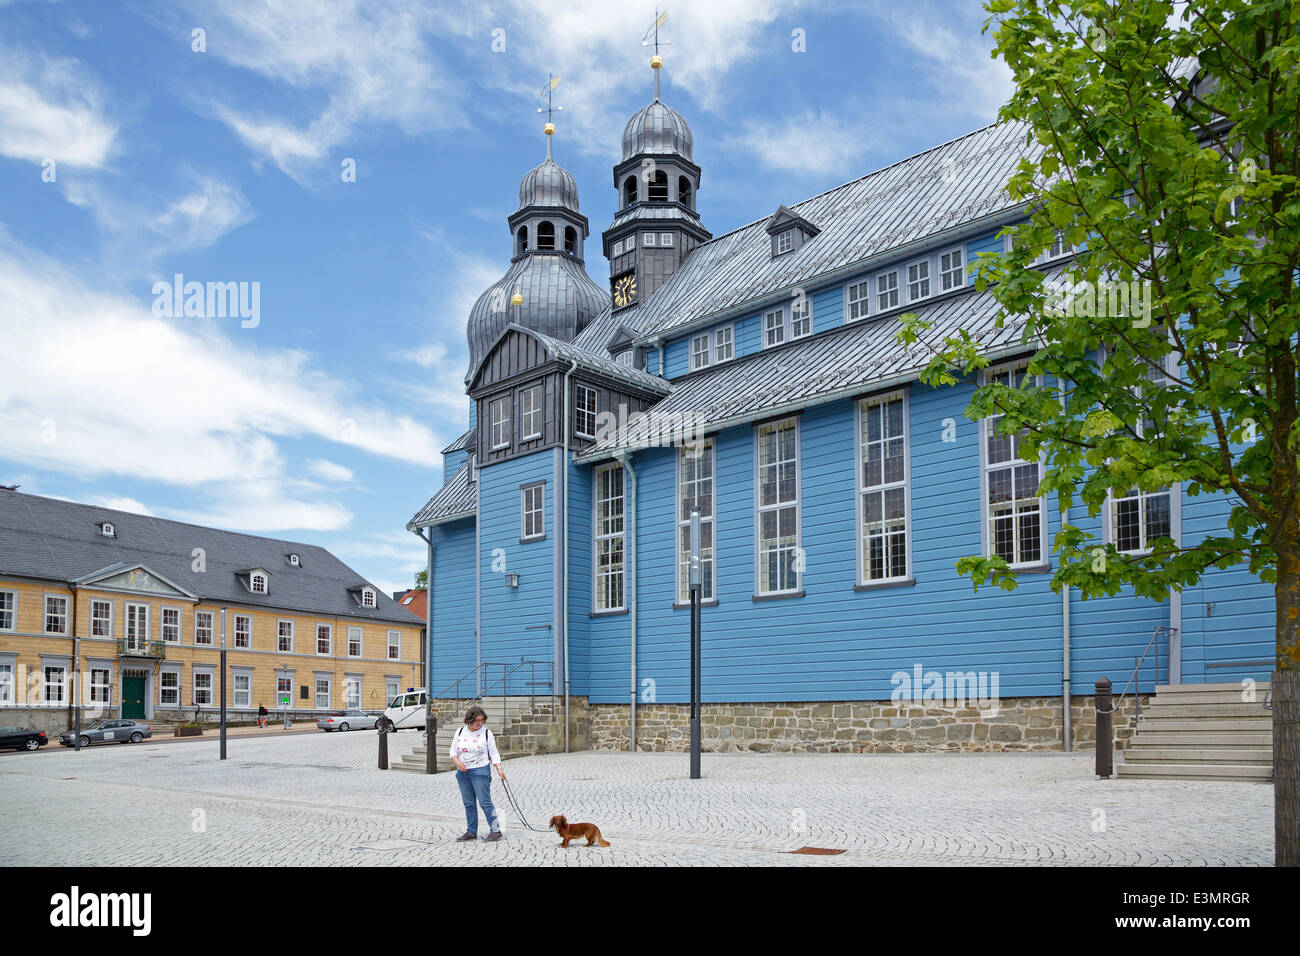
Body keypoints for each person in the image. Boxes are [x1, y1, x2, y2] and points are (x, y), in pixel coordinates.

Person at [450, 706, 506, 842]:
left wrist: (499, 769)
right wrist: (458, 763)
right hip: (463, 773)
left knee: (485, 802)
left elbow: (494, 752)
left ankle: (495, 831)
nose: (479, 723)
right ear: (469, 720)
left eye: (482, 720)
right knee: (469, 803)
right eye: (476, 720)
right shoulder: (460, 731)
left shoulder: (486, 733)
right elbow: (452, 751)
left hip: (480, 770)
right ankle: (471, 831)